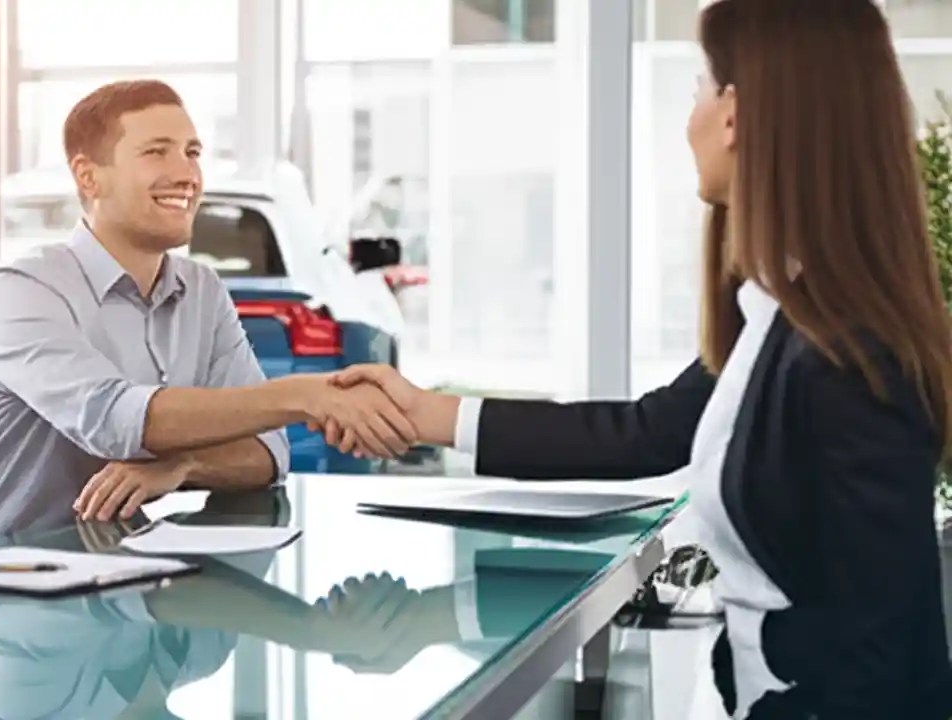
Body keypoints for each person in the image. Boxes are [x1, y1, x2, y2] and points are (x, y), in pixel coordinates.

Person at [325, 0, 952, 717]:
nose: (688, 121)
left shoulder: (848, 360)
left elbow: (876, 665)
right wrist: (426, 415)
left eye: (699, 91)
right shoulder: (780, 318)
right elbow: (649, 431)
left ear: (735, 116)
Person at [0, 80, 414, 548]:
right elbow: (113, 424)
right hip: (8, 584)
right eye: (157, 152)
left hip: (123, 577)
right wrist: (304, 395)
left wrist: (183, 466)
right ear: (89, 177)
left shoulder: (203, 290)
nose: (187, 173)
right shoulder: (21, 291)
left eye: (192, 152)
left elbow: (270, 450)